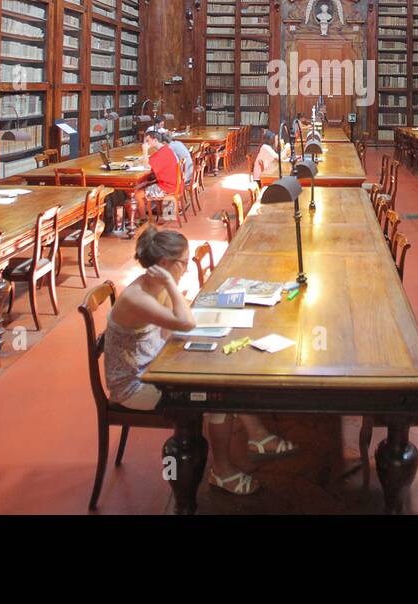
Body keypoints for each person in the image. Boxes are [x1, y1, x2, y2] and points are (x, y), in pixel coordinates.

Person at [104, 224, 298, 495]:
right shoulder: (138, 297)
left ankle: (257, 436)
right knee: (216, 396)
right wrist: (172, 285)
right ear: (164, 264)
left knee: (226, 370)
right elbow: (184, 322)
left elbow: (168, 327)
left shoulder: (153, 284)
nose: (184, 269)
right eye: (183, 263)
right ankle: (222, 473)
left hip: (156, 364)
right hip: (135, 385)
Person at [139, 127, 181, 223]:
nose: (145, 143)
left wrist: (145, 150)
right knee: (146, 185)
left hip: (167, 187)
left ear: (155, 140)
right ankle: (148, 212)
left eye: (147, 141)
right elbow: (150, 161)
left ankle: (143, 219)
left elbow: (147, 166)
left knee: (137, 194)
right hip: (173, 184)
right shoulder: (166, 150)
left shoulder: (162, 153)